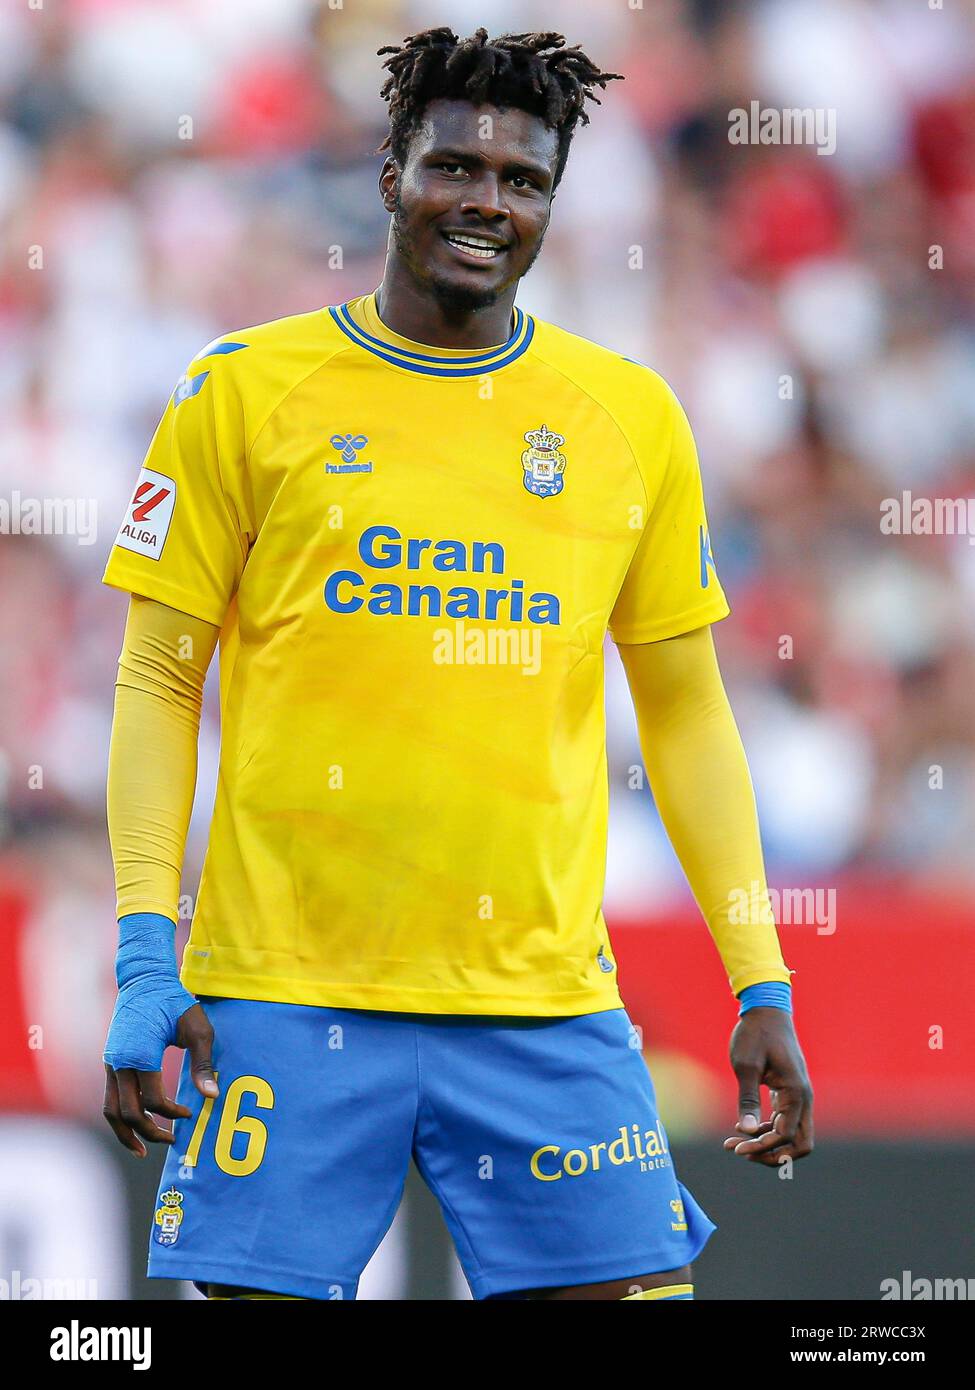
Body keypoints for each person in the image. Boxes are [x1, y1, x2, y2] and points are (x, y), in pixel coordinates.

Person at [101, 27, 812, 1303]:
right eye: (455, 166)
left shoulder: (627, 419)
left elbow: (689, 712)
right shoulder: (241, 391)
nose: (487, 201)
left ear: (551, 204)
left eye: (523, 180)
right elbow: (157, 680)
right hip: (283, 998)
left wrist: (759, 972)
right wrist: (148, 954)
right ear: (389, 174)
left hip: (541, 1004)